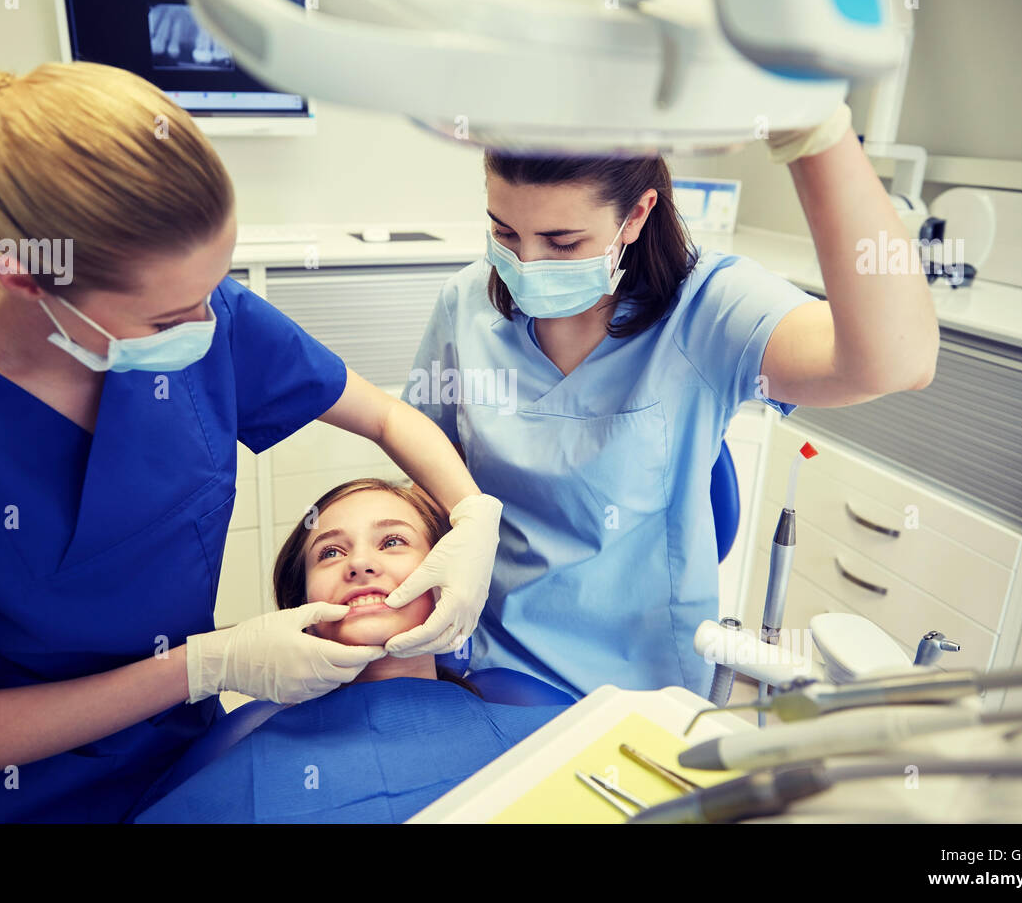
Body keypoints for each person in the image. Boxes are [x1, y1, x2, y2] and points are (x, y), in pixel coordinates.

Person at [0, 60, 501, 822]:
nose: (207, 328)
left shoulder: (203, 310)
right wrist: (215, 662)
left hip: (177, 759)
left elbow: (385, 416)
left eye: (214, 288)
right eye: (170, 321)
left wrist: (471, 515)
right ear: (22, 279)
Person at [402, 104, 941, 700]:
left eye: (562, 241)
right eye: (504, 232)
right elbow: (426, 464)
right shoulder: (466, 302)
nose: (525, 265)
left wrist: (819, 136)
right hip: (478, 652)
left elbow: (896, 362)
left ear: (635, 216)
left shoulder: (707, 308)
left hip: (633, 681)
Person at [131, 479, 572, 823]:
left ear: (454, 579)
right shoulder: (238, 762)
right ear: (300, 605)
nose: (359, 564)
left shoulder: (544, 729)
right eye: (330, 552)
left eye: (392, 542)